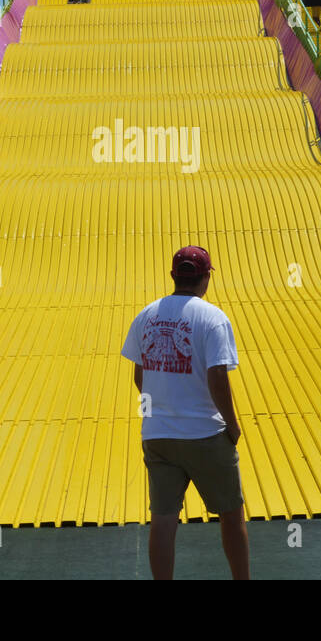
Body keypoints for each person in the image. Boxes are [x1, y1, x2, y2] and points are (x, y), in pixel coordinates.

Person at [121, 246, 249, 580]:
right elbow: (217, 376)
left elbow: (139, 374)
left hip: (158, 436)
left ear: (174, 276)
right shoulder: (213, 318)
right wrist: (232, 427)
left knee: (163, 518)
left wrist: (162, 406)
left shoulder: (146, 315)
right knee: (231, 514)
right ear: (206, 278)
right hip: (205, 433)